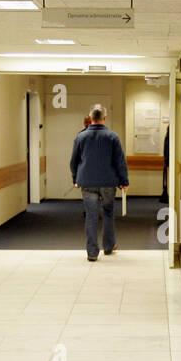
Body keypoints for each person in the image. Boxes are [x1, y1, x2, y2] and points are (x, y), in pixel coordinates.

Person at [69, 104, 129, 261]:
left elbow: (74, 161)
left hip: (87, 182)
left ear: (90, 118)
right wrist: (124, 181)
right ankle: (109, 246)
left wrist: (75, 178)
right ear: (104, 118)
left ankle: (92, 252)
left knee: (91, 215)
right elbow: (120, 161)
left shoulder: (81, 137)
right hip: (108, 181)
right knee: (108, 212)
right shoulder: (112, 137)